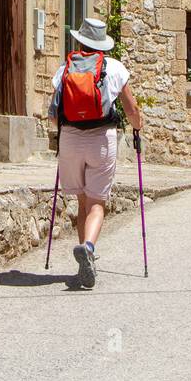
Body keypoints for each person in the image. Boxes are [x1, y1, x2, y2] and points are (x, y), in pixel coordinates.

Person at [49, 17, 142, 288]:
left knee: (81, 203)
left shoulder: (64, 69)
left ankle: (84, 260)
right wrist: (138, 127)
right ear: (102, 44)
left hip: (70, 141)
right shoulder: (114, 68)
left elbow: (52, 115)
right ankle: (88, 247)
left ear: (80, 41)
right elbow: (131, 109)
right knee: (97, 203)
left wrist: (68, 128)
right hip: (101, 140)